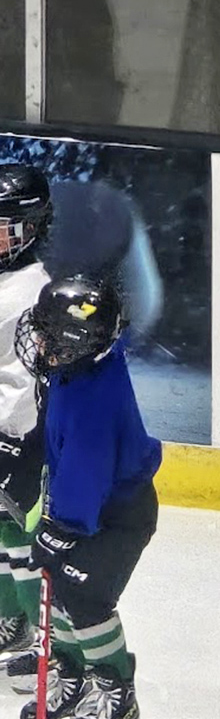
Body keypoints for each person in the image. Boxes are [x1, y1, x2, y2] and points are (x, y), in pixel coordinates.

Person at [14, 274, 161, 719]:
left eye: (49, 333)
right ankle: (74, 675)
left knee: (85, 596)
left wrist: (63, 529)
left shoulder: (94, 396)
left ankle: (115, 692)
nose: (38, 340)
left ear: (75, 341)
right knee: (53, 590)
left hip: (116, 515)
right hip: (83, 504)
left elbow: (86, 467)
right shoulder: (76, 368)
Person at [0, 164, 53, 681]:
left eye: (4, 229)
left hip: (17, 438)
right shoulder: (6, 283)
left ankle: (35, 633)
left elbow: (22, 380)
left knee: (19, 535)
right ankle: (9, 620)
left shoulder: (32, 291)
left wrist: (9, 439)